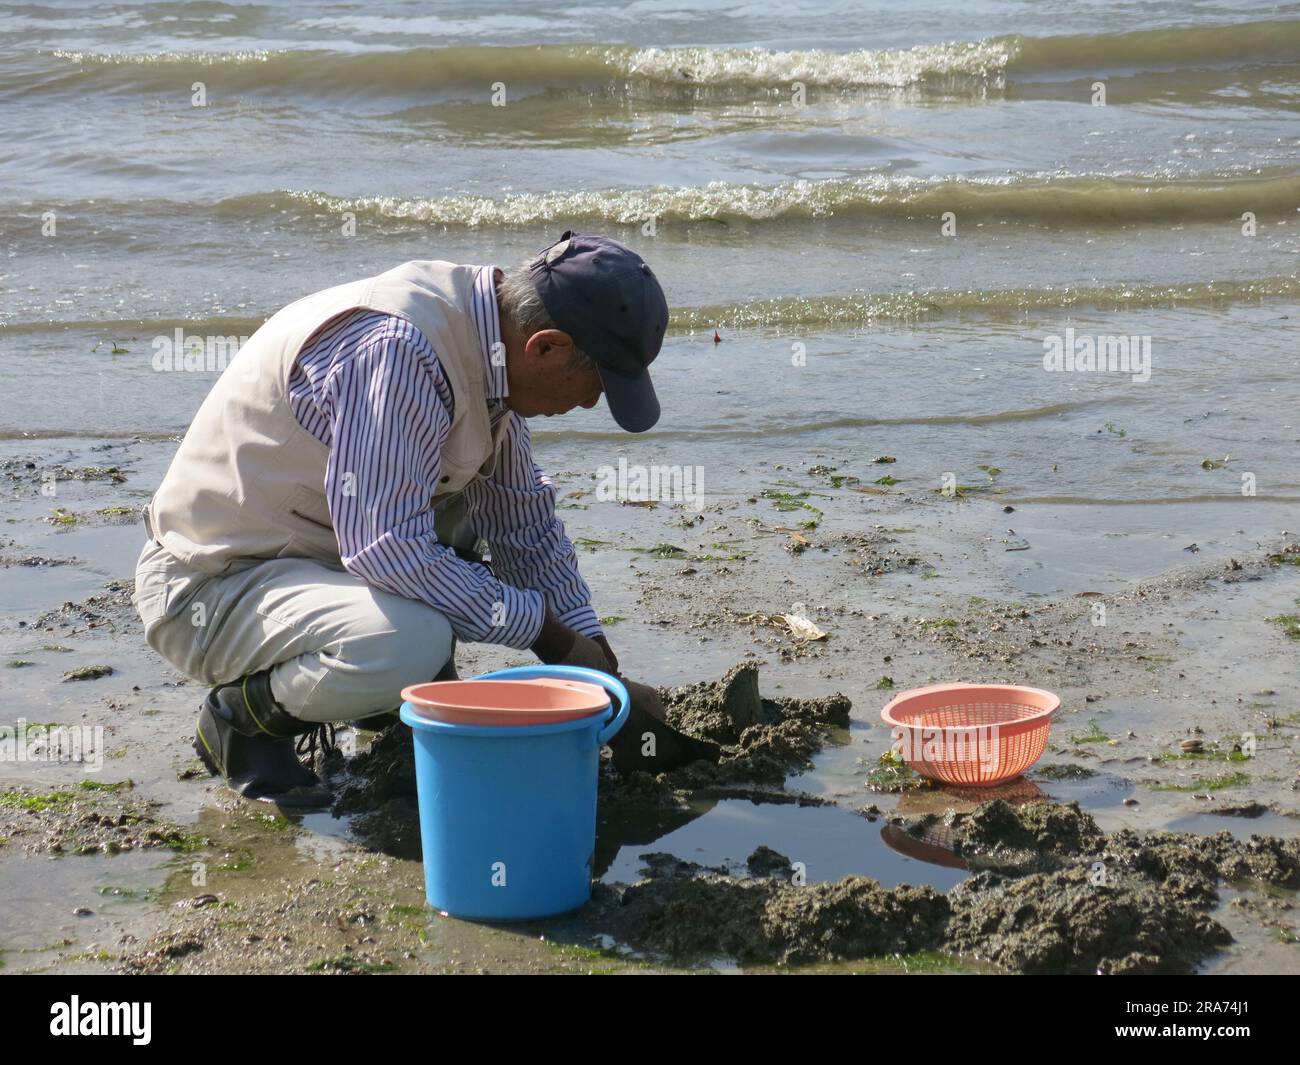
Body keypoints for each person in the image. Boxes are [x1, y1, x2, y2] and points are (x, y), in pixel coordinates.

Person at [132, 231, 718, 807]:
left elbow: (524, 527)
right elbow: (386, 547)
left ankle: (375, 697)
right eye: (596, 383)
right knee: (407, 640)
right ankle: (244, 720)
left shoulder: (491, 348)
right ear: (546, 346)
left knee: (458, 524)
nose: (591, 404)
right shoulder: (400, 352)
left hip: (312, 564)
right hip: (211, 585)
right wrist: (548, 633)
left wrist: (597, 662)